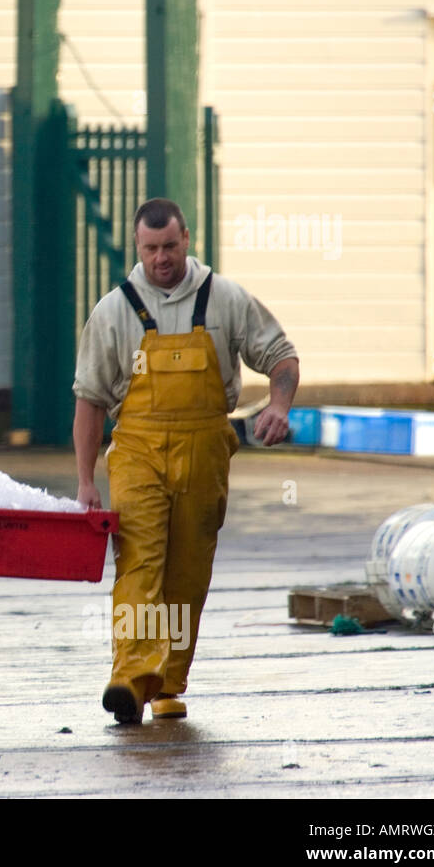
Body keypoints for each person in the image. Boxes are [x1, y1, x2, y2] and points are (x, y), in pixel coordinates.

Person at [72, 197, 299, 724]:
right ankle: (131, 679)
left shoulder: (226, 298)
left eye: (170, 246)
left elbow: (281, 356)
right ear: (137, 246)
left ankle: (168, 684)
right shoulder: (113, 311)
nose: (161, 258)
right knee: (139, 562)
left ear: (187, 239)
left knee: (187, 573)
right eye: (150, 249)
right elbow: (89, 400)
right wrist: (85, 480)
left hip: (205, 451)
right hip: (138, 450)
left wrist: (279, 406)